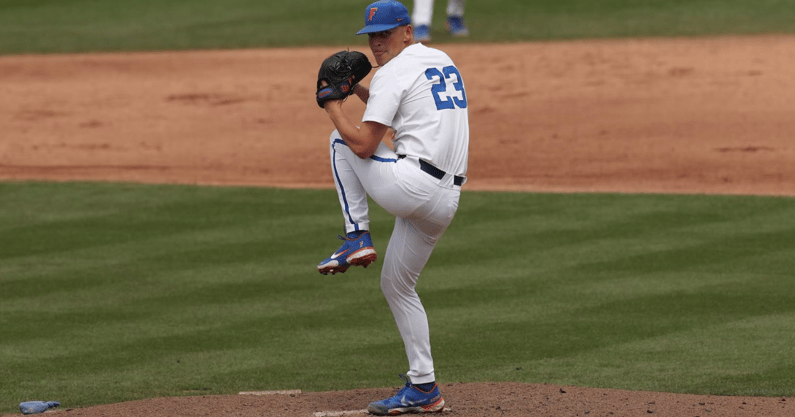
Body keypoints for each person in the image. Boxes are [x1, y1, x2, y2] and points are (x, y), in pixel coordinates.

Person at [316, 0, 469, 414]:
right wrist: (360, 89)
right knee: (397, 285)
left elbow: (364, 144)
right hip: (444, 201)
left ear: (407, 31)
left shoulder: (392, 74)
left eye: (385, 33)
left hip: (412, 187)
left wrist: (333, 104)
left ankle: (355, 236)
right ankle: (424, 387)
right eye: (372, 36)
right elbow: (406, 115)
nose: (377, 43)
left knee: (340, 141)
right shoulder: (439, 58)